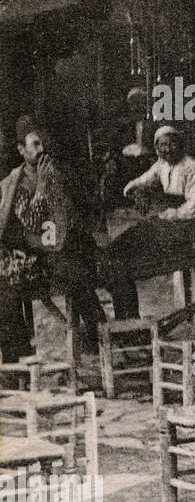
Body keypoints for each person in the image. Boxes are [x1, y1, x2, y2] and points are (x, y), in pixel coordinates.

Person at [0, 123, 104, 346]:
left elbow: (72, 212)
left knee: (91, 271)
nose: (40, 149)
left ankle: (101, 338)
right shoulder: (17, 183)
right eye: (34, 144)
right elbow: (32, 224)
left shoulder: (54, 172)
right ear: (21, 149)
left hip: (65, 246)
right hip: (39, 255)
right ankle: (97, 338)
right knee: (75, 274)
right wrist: (41, 188)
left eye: (43, 143)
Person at [105, 124, 195, 320]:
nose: (167, 149)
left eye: (172, 144)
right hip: (172, 220)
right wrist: (131, 186)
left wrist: (166, 215)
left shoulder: (193, 167)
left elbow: (192, 210)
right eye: (162, 145)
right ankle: (126, 321)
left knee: (139, 249)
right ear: (157, 148)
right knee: (118, 247)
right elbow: (146, 178)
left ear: (180, 145)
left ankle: (131, 322)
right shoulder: (161, 164)